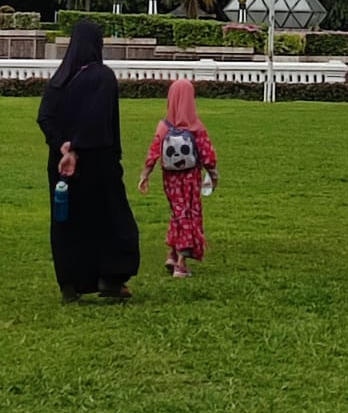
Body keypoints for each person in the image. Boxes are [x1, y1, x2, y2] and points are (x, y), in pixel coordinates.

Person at [36, 19, 141, 304]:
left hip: (61, 166)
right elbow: (97, 120)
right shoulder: (102, 77)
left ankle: (70, 283)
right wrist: (76, 148)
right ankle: (111, 277)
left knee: (67, 223)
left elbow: (45, 117)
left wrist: (62, 145)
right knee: (111, 220)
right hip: (96, 163)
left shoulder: (60, 79)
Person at [137, 79, 219, 278]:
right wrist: (213, 174)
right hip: (190, 179)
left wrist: (145, 174)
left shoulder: (163, 128)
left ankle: (172, 254)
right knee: (189, 215)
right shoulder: (196, 127)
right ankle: (181, 263)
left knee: (178, 212)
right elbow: (207, 155)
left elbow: (153, 152)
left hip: (170, 180)